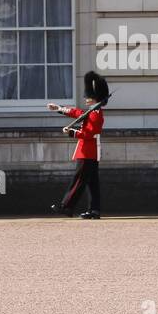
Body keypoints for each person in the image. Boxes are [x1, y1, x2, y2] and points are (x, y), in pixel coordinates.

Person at [48, 70, 109, 219]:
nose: (86, 97)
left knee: (79, 180)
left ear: (95, 98)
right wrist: (59, 109)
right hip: (90, 153)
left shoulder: (95, 115)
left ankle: (66, 206)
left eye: (89, 95)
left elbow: (87, 134)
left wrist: (71, 132)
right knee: (91, 183)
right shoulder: (92, 112)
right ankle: (94, 210)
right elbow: (76, 113)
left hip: (88, 152)